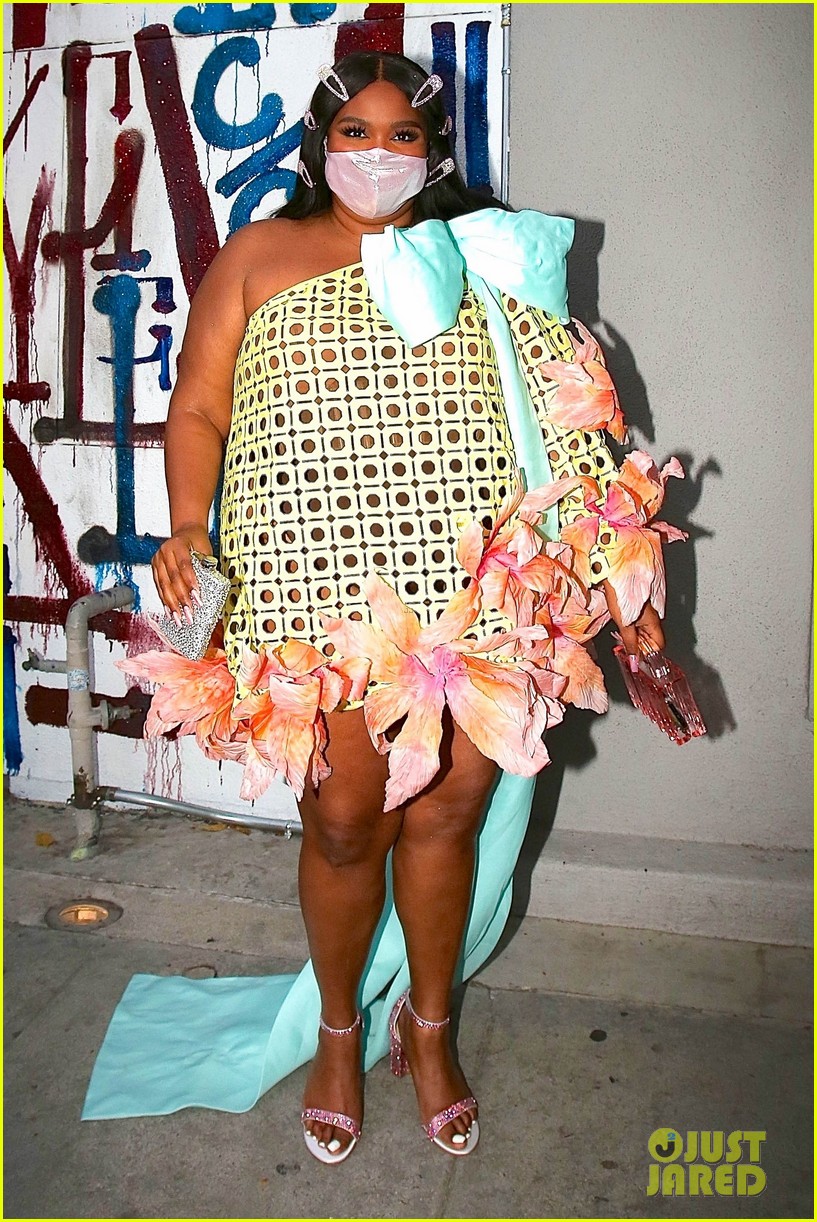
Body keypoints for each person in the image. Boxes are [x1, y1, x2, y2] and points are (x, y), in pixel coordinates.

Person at [106, 51, 683, 1164]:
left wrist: (615, 573)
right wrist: (186, 525)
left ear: (437, 150)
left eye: (402, 136)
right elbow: (199, 407)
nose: (377, 155)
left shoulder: (484, 254)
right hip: (317, 606)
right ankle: (336, 1032)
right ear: (319, 143)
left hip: (475, 602)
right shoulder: (259, 256)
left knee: (446, 818)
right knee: (339, 824)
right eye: (355, 133)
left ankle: (427, 1030)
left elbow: (565, 413)